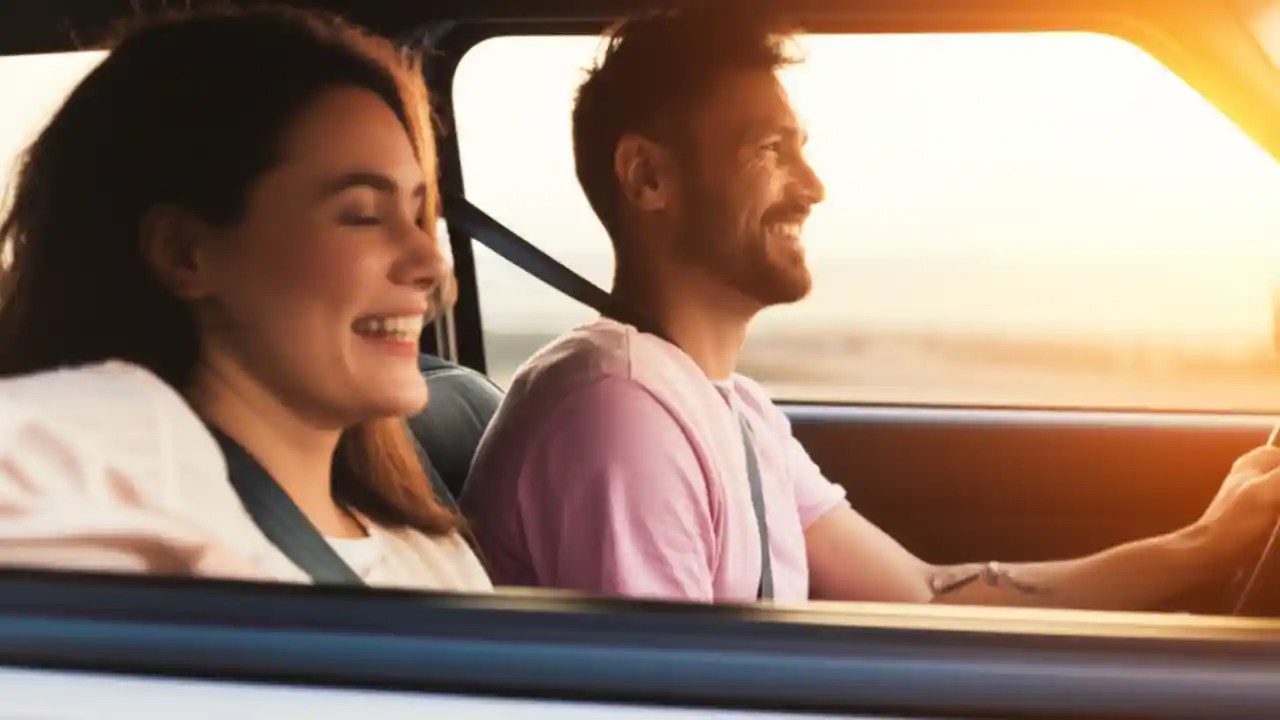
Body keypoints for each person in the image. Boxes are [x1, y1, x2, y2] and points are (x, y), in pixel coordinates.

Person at [462, 5, 1280, 608]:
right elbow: (662, 701)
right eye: (769, 151)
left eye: (802, 151)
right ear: (648, 178)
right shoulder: (619, 412)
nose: (812, 188)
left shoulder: (732, 409)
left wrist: (1204, 546)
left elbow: (926, 598)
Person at [0, 6, 489, 592]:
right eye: (361, 215)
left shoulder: (435, 554)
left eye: (416, 215)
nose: (430, 263)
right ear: (186, 253)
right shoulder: (108, 518)